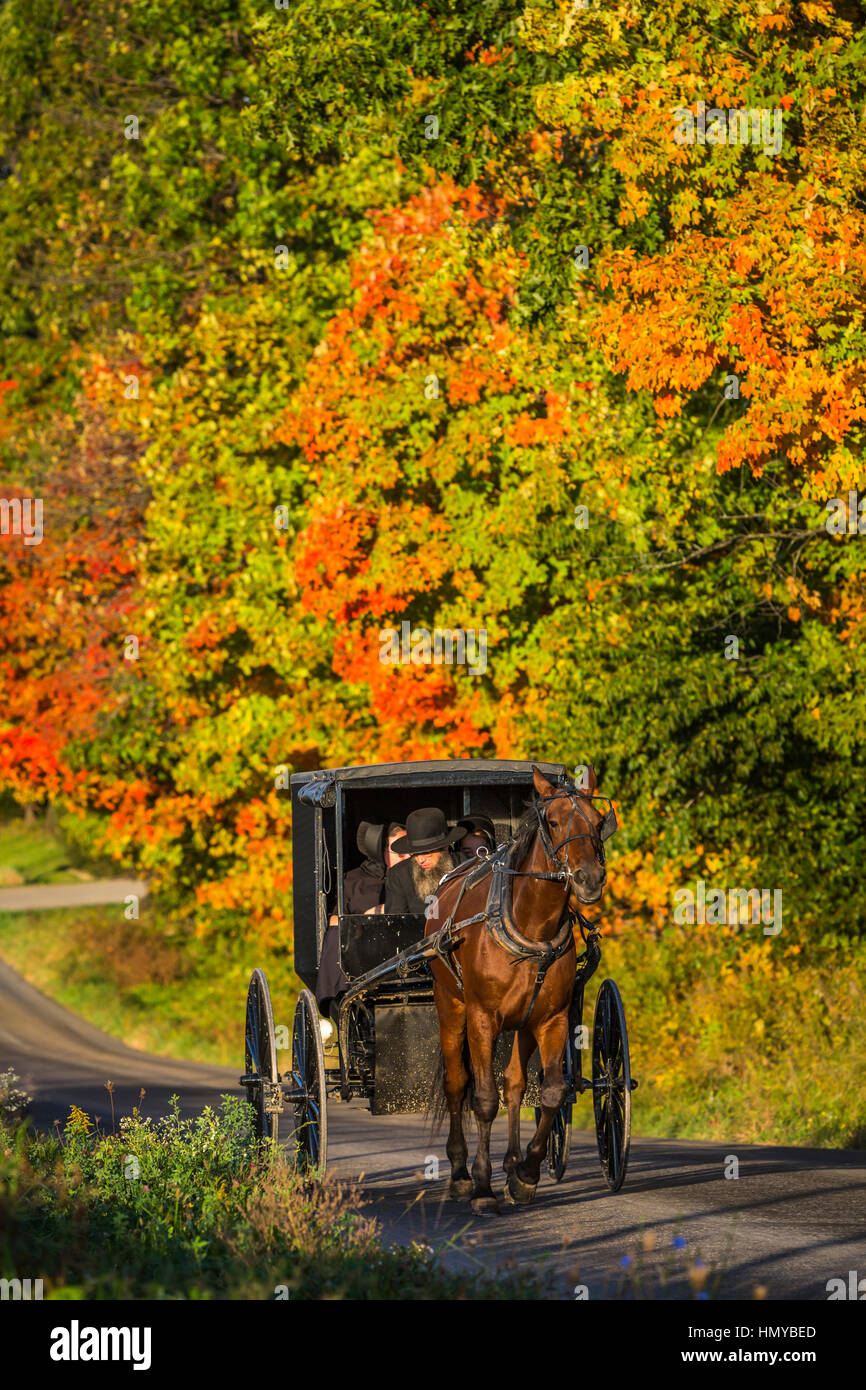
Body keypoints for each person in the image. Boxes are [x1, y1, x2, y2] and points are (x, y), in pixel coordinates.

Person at [315, 821, 408, 1015]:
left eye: (409, 851)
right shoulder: (354, 881)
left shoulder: (417, 877)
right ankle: (336, 998)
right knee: (336, 933)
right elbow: (335, 922)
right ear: (382, 852)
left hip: (408, 950)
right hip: (362, 952)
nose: (407, 857)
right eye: (399, 853)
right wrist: (368, 918)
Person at [384, 808, 469, 916]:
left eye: (426, 852)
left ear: (445, 847)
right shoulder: (399, 875)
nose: (420, 860)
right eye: (414, 854)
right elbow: (395, 923)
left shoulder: (465, 867)